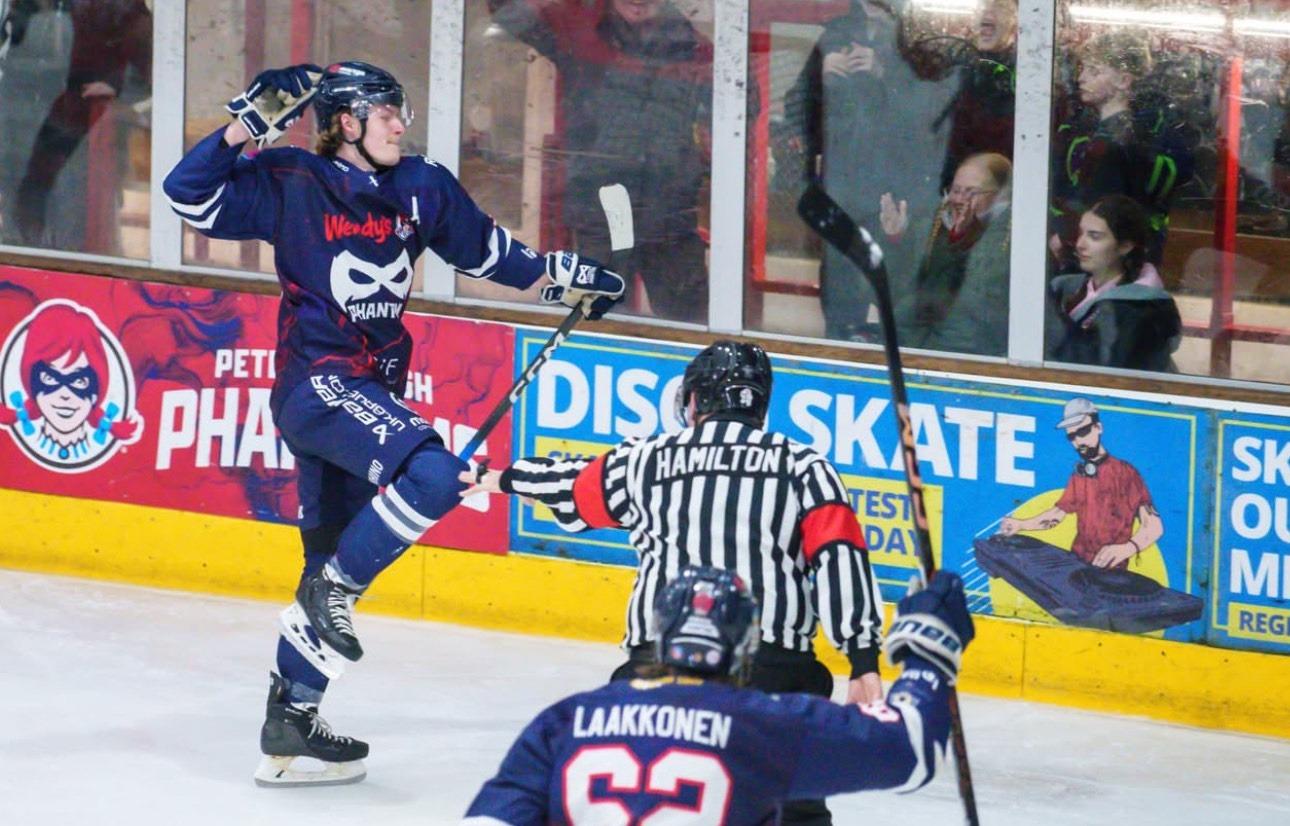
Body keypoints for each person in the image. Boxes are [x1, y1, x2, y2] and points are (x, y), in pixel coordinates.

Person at [162, 60, 624, 786]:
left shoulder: (421, 186)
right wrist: (246, 126)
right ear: (346, 122)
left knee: (330, 557)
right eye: (385, 113)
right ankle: (335, 596)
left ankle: (292, 716)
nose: (400, 124)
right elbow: (187, 195)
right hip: (317, 386)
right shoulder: (290, 179)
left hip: (368, 391)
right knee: (434, 474)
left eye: (400, 111)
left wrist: (569, 277)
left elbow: (491, 254)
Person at [462, 340, 883, 825]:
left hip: (659, 670)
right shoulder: (806, 468)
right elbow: (839, 558)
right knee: (793, 810)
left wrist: (497, 477)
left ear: (696, 399)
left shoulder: (645, 460)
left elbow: (571, 487)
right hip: (776, 670)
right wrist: (862, 658)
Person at [462, 564, 973, 824]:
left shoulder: (568, 720)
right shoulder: (763, 725)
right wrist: (927, 652)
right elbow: (909, 749)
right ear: (746, 642)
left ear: (661, 632)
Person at [485, 0, 712, 323]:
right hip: (600, 210)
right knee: (594, 320)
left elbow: (742, 104)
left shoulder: (692, 45)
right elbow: (509, 11)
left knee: (688, 324)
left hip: (669, 216)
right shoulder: (577, 26)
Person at [780, 0, 953, 342]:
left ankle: (894, 361)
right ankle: (840, 351)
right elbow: (796, 107)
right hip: (841, 185)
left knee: (897, 287)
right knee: (841, 287)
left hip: (898, 191)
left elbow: (935, 117)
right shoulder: (836, 33)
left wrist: (885, 74)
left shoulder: (924, 37)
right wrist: (822, 78)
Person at [13, 0, 152, 248]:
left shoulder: (119, 8)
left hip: (89, 119)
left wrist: (117, 89)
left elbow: (149, 67)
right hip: (37, 112)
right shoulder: (38, 10)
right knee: (32, 187)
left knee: (76, 197)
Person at [1049, 33, 1180, 271]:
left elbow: (1104, 204)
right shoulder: (1101, 130)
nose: (1081, 78)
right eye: (1083, 69)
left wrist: (1066, 237)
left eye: (1094, 71)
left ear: (1123, 80)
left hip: (1102, 262)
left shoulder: (1120, 142)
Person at [1000, 397, 1163, 570]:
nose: (1078, 441)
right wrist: (1021, 524)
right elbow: (1056, 515)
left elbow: (1154, 526)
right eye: (1072, 436)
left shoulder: (1126, 473)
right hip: (1076, 568)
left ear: (1098, 428)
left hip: (1111, 574)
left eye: (1083, 431)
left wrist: (1127, 548)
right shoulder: (1079, 476)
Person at [880, 152, 1011, 356]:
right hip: (914, 343)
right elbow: (903, 286)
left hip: (969, 350)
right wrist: (896, 240)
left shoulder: (1011, 235)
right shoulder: (931, 224)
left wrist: (961, 239)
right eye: (955, 190)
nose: (959, 199)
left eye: (971, 192)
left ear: (998, 195)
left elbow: (977, 302)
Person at [1046, 194, 1181, 372]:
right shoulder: (1067, 286)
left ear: (1125, 246)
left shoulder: (1142, 310)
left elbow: (1094, 366)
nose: (1080, 244)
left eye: (1094, 236)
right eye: (1080, 233)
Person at [899, 0, 1016, 191]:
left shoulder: (1023, 75)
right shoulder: (962, 66)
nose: (987, 11)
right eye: (981, 5)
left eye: (1000, 6)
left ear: (1016, 21)